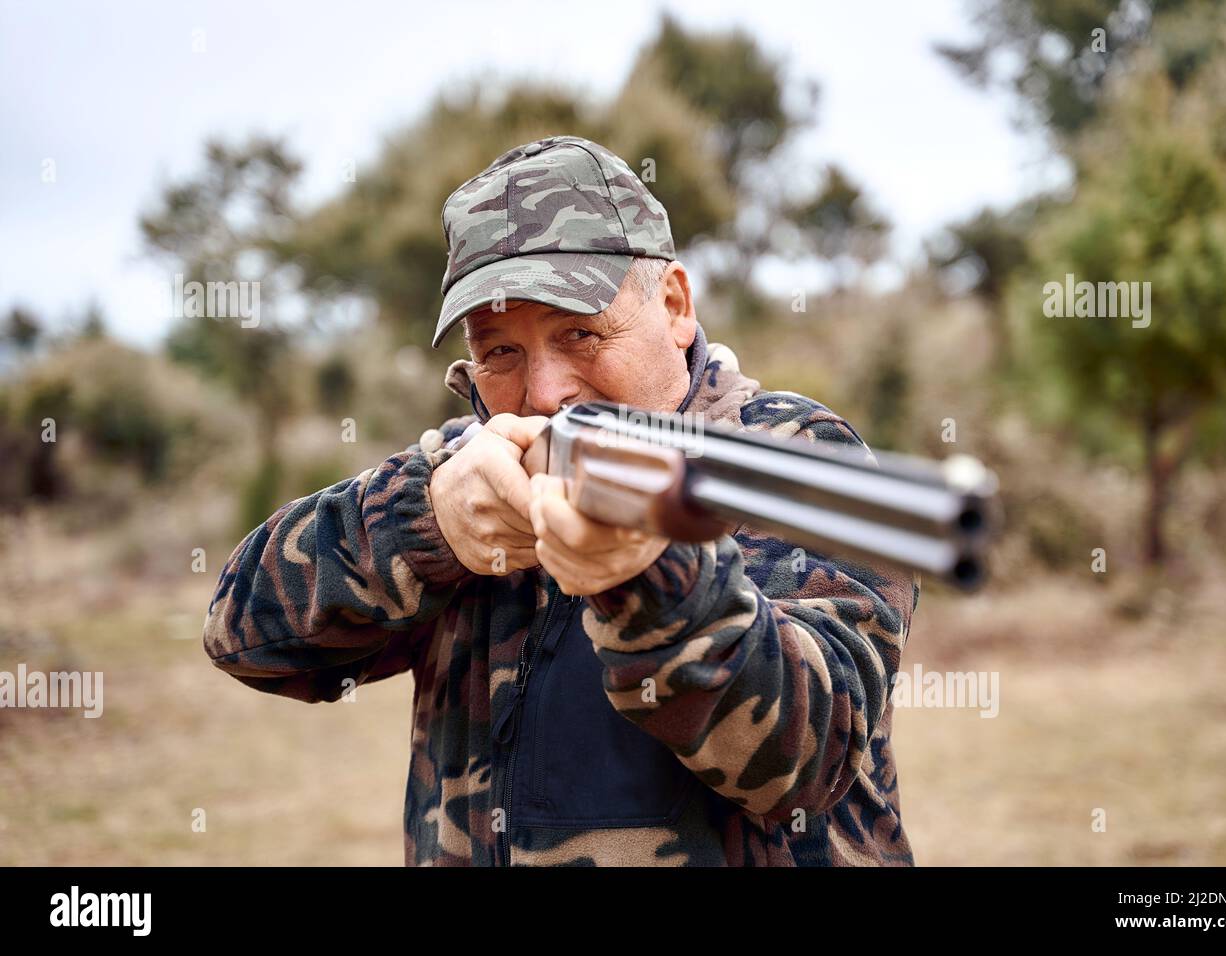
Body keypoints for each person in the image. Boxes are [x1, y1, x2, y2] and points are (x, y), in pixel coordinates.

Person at [203, 135, 918, 866]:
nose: (545, 393)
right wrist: (426, 525)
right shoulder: (468, 469)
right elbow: (243, 637)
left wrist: (652, 576)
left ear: (673, 305)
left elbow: (806, 761)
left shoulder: (795, 455)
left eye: (579, 332)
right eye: (499, 351)